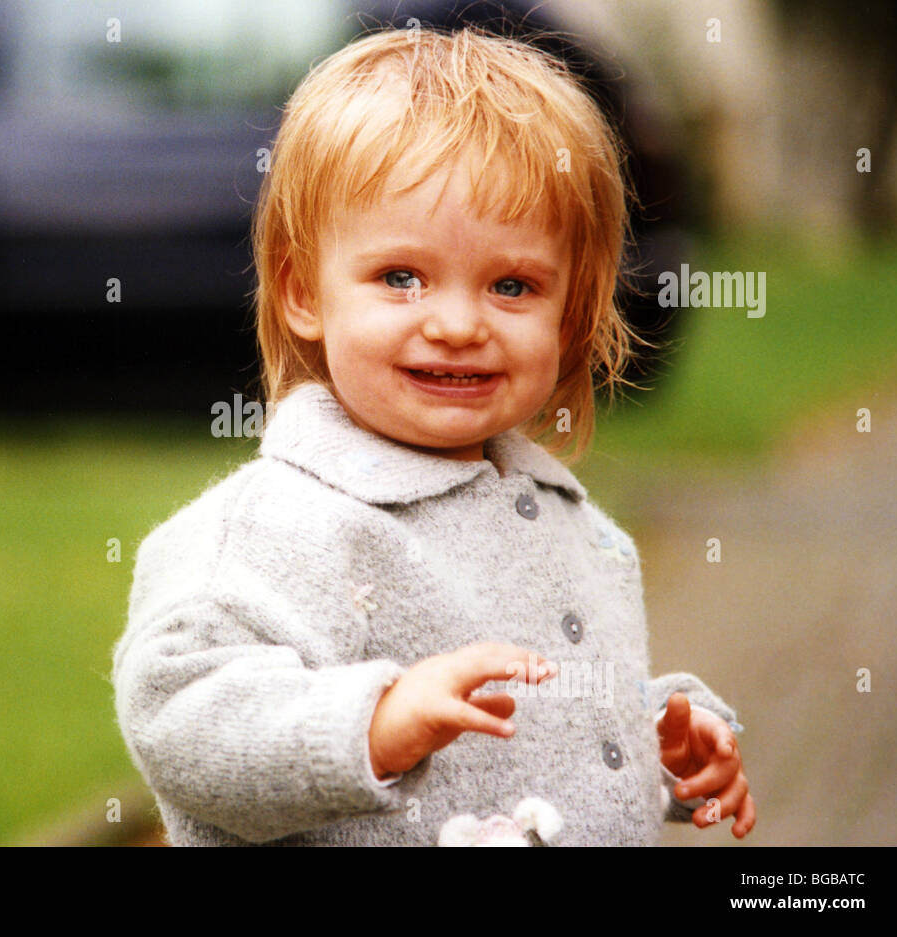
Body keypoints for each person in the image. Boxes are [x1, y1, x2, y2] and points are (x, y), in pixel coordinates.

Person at [111, 25, 755, 846]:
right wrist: (370, 725)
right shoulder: (276, 525)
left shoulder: (573, 525)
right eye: (401, 277)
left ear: (572, 311)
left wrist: (657, 738)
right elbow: (178, 707)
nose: (456, 325)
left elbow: (549, 713)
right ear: (302, 290)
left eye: (512, 284)